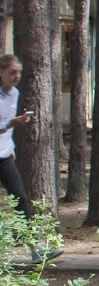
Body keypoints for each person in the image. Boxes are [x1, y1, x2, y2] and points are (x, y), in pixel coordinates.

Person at [0, 53, 37, 221]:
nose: (17, 76)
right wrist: (9, 124)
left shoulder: (15, 93)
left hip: (4, 154)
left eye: (19, 72)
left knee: (19, 197)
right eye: (12, 72)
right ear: (1, 72)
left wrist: (10, 145)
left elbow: (7, 122)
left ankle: (31, 243)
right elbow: (6, 123)